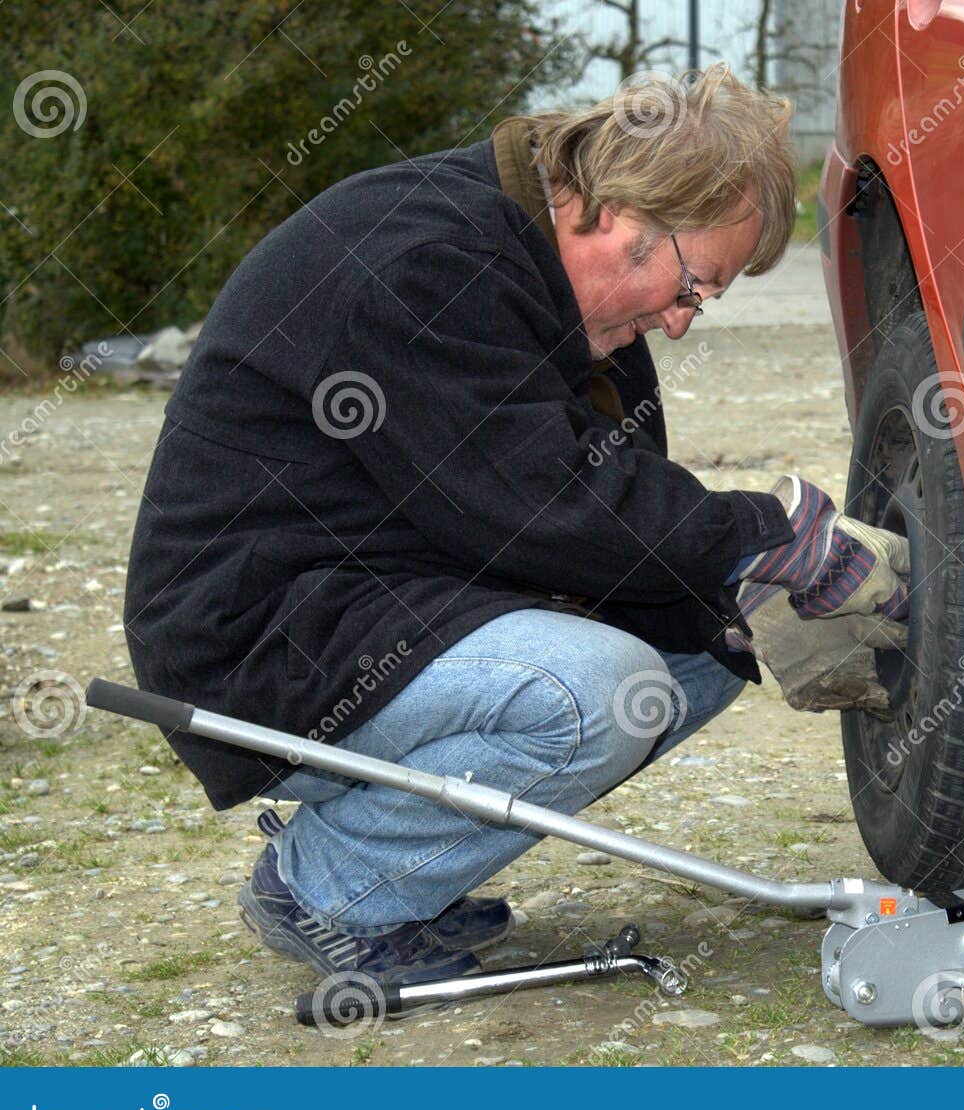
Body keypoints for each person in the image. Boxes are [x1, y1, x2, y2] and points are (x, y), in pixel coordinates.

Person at [121, 66, 909, 987]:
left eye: (703, 301)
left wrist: (731, 605)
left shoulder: (564, 299)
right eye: (693, 286)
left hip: (387, 594)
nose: (684, 324)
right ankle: (337, 886)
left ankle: (381, 845)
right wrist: (764, 532)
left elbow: (605, 509)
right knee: (591, 690)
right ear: (617, 209)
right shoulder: (426, 262)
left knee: (700, 656)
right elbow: (537, 506)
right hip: (260, 640)